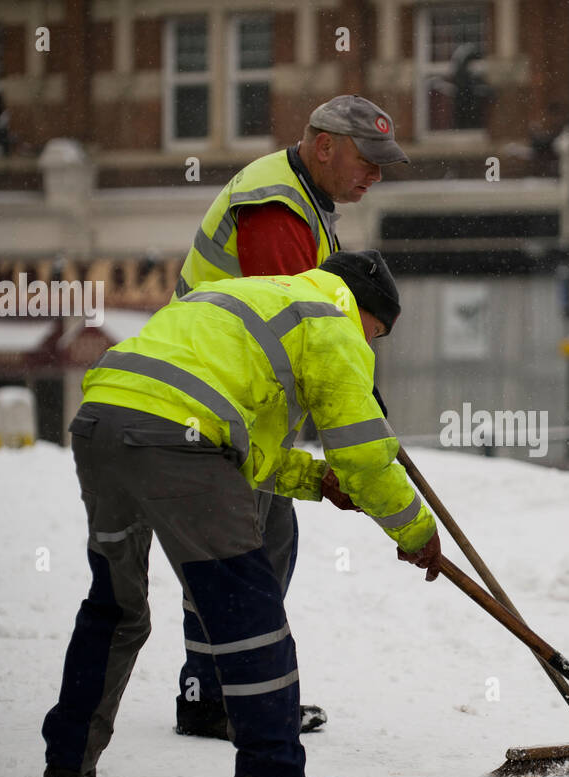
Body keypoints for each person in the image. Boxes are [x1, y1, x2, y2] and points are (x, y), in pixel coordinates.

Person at [40, 250, 442, 777]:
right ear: (364, 310)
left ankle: (65, 763)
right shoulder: (333, 319)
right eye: (378, 333)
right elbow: (364, 455)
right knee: (248, 612)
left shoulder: (252, 301)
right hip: (174, 439)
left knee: (115, 604)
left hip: (102, 421)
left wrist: (317, 480)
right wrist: (415, 531)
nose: (372, 346)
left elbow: (238, 449)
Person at [171, 94, 409, 740]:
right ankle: (213, 695)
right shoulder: (277, 208)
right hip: (208, 397)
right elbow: (300, 334)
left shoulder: (311, 205)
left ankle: (242, 691)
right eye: (368, 161)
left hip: (238, 403)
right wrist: (354, 410)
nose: (375, 176)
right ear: (324, 145)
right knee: (235, 549)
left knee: (269, 541)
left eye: (383, 167)